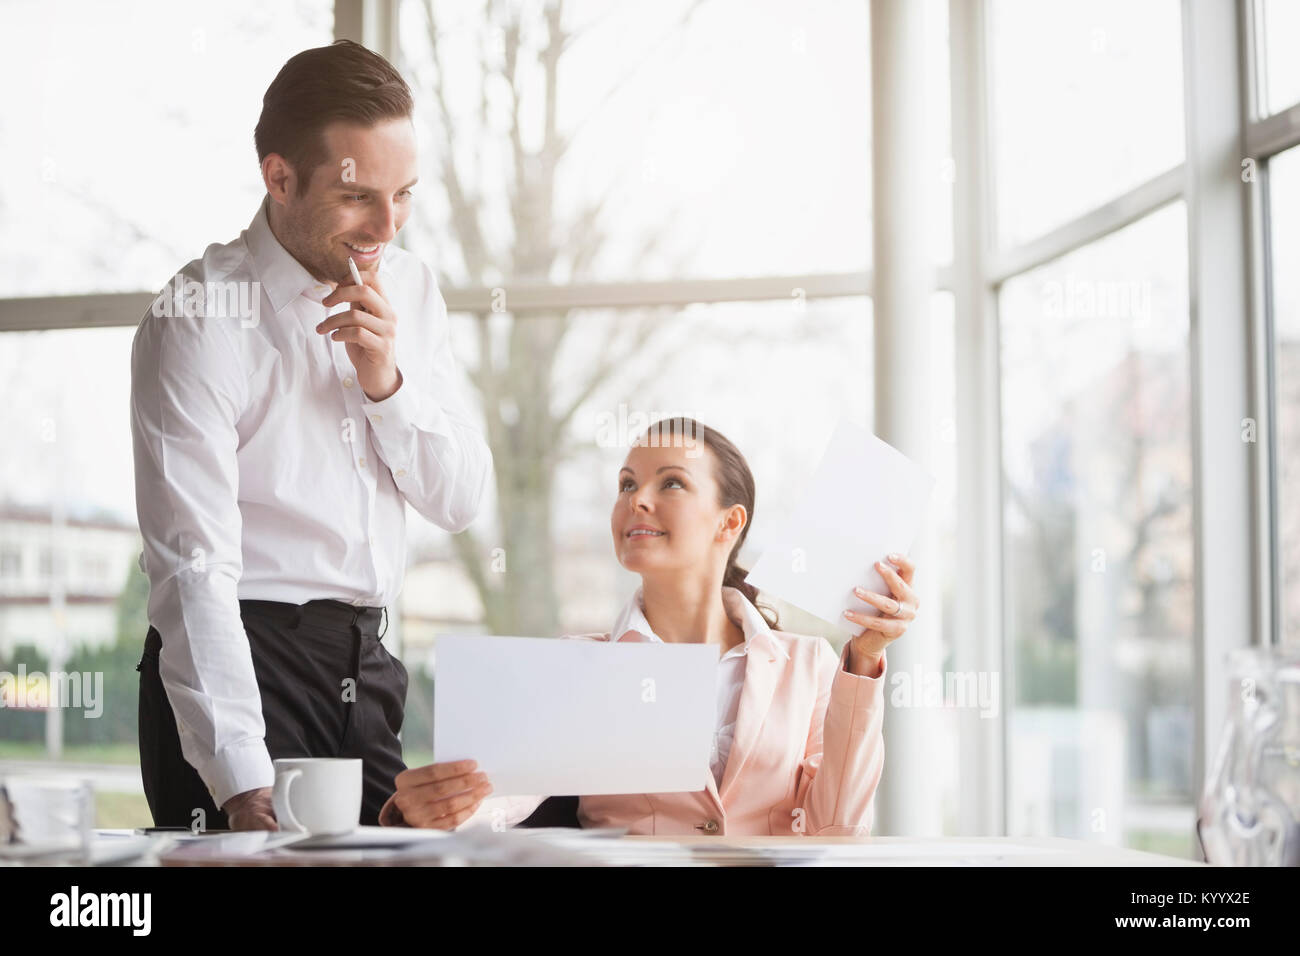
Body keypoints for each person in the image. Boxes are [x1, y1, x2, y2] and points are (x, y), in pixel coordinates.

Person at [131, 39, 492, 831]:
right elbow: (194, 570)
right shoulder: (200, 318)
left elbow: (462, 497)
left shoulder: (413, 291)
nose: (387, 226)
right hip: (243, 660)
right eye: (360, 196)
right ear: (279, 177)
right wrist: (241, 781)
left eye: (406, 195)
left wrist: (387, 387)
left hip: (365, 664)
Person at [379, 417, 918, 836]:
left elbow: (838, 826)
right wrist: (429, 810)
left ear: (730, 522)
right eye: (627, 483)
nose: (636, 499)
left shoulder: (812, 665)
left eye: (673, 483)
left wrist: (865, 659)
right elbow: (499, 798)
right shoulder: (579, 667)